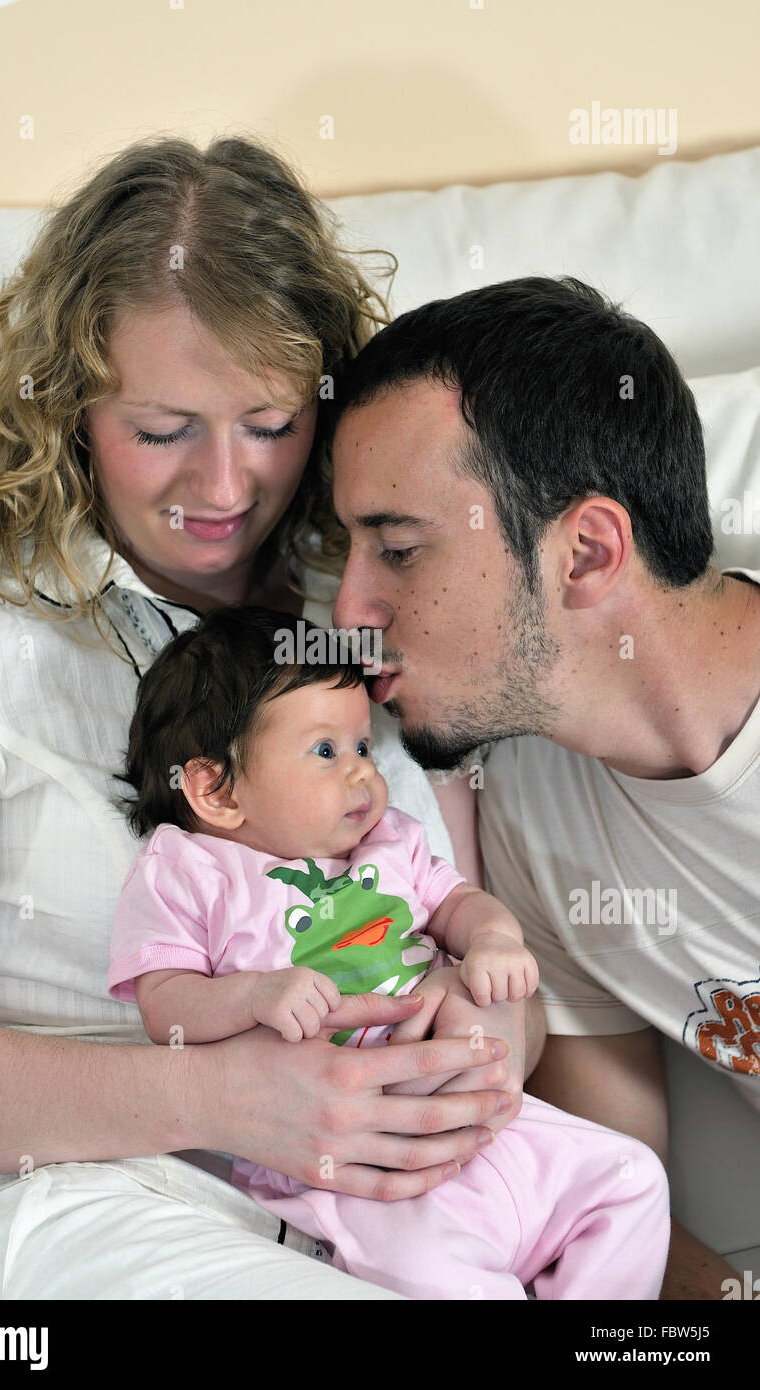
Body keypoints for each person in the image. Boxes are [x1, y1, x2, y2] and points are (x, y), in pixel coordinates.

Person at [0, 136, 541, 1300]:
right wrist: (221, 1092)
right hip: (119, 1199)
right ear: (68, 405)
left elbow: (485, 953)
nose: (225, 488)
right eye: (161, 431)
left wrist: (477, 1045)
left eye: (268, 421)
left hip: (420, 1200)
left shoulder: (383, 589)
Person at [328, 274, 759, 1299]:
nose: (347, 607)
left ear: (586, 552)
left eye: (396, 549)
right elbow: (606, 1219)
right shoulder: (526, 814)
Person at [107, 604, 670, 1301]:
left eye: (363, 748)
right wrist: (251, 994)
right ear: (215, 789)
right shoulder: (185, 871)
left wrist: (492, 940)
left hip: (494, 1124)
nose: (363, 775)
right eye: (325, 752)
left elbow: (458, 904)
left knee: (631, 1178)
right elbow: (166, 1005)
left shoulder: (391, 842)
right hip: (361, 1171)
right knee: (439, 1275)